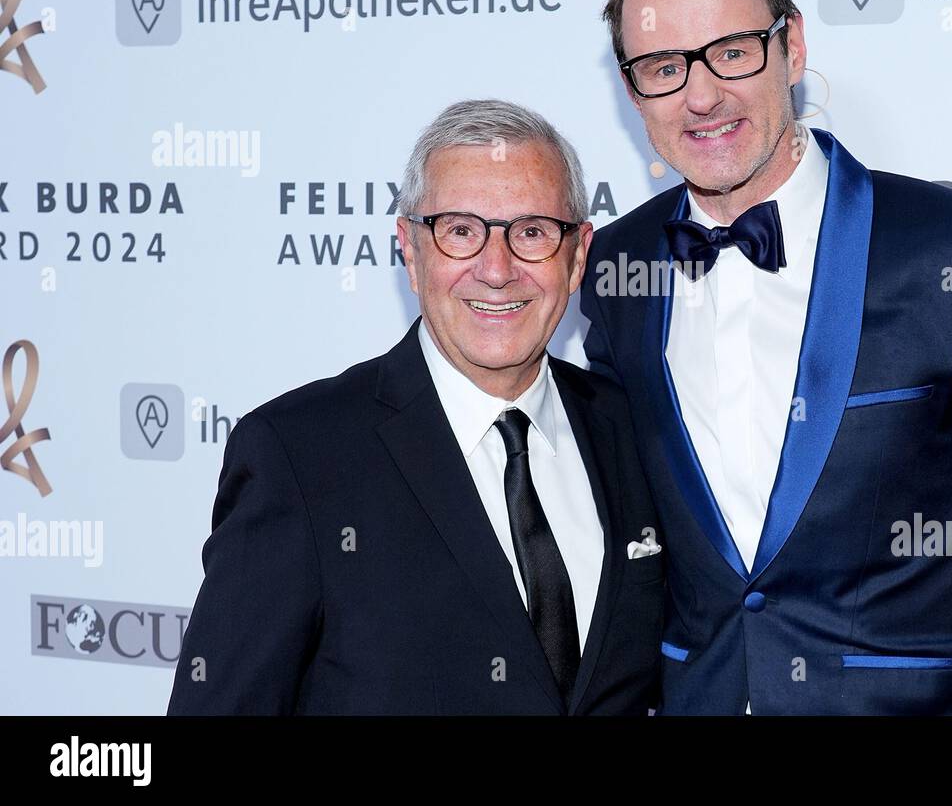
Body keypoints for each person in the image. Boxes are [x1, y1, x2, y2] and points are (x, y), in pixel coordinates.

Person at [580, 0, 952, 714]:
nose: (700, 95)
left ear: (792, 46)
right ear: (633, 92)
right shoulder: (616, 266)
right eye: (664, 69)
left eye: (730, 51)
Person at [169, 99, 664, 715]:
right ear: (409, 248)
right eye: (461, 230)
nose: (497, 269)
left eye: (532, 231)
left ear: (578, 256)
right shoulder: (298, 455)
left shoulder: (631, 427)